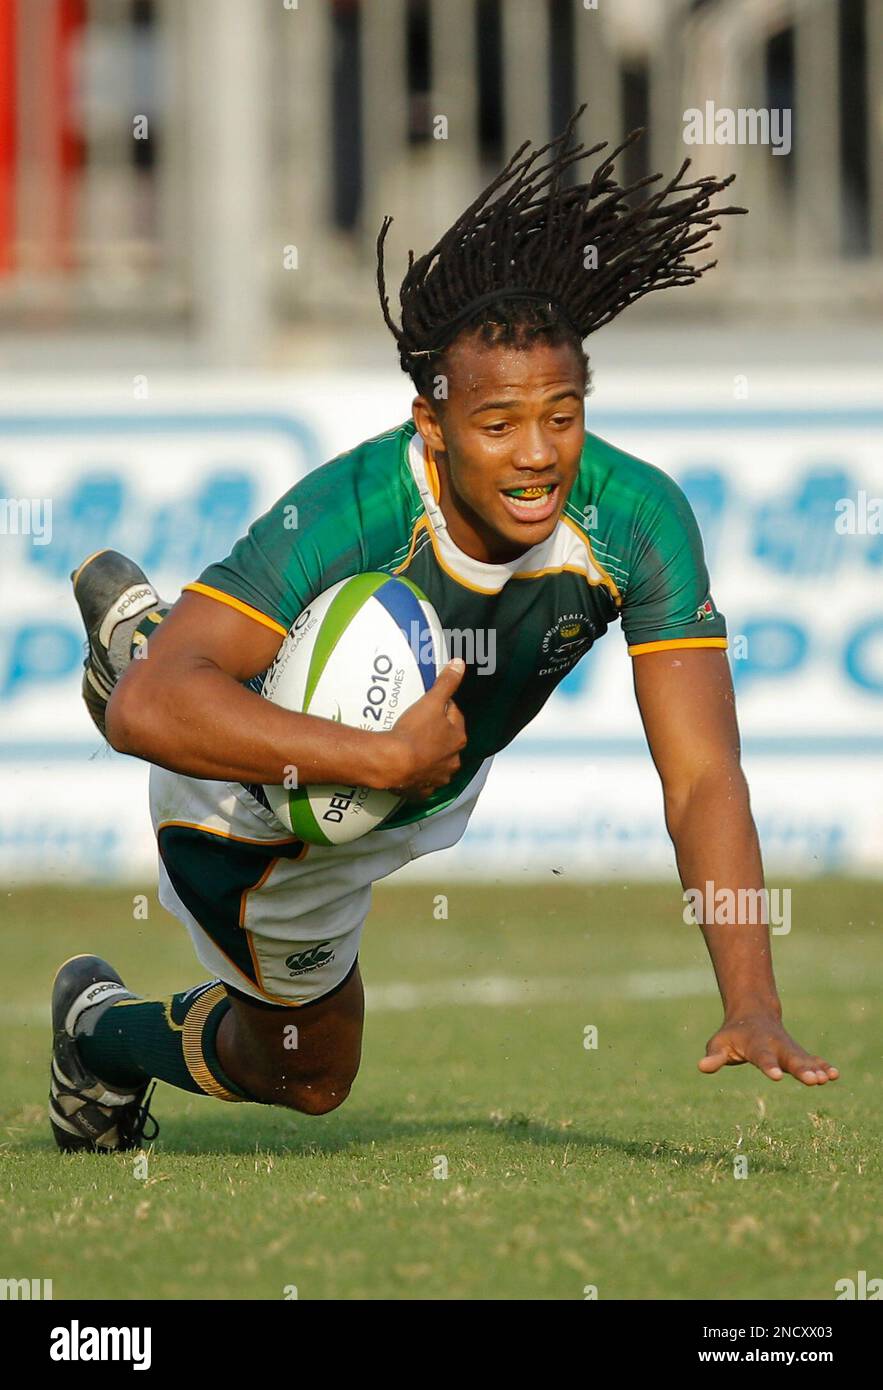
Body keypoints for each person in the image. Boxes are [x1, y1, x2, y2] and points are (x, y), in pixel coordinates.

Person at [49, 108, 837, 1154]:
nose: (536, 454)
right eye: (497, 422)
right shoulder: (358, 504)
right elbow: (153, 719)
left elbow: (701, 778)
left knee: (312, 1053)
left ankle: (164, 646)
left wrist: (750, 995)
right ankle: (96, 1035)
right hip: (249, 802)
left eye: (561, 415)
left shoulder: (638, 520)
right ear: (432, 422)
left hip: (413, 778)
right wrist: (377, 754)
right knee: (310, 1078)